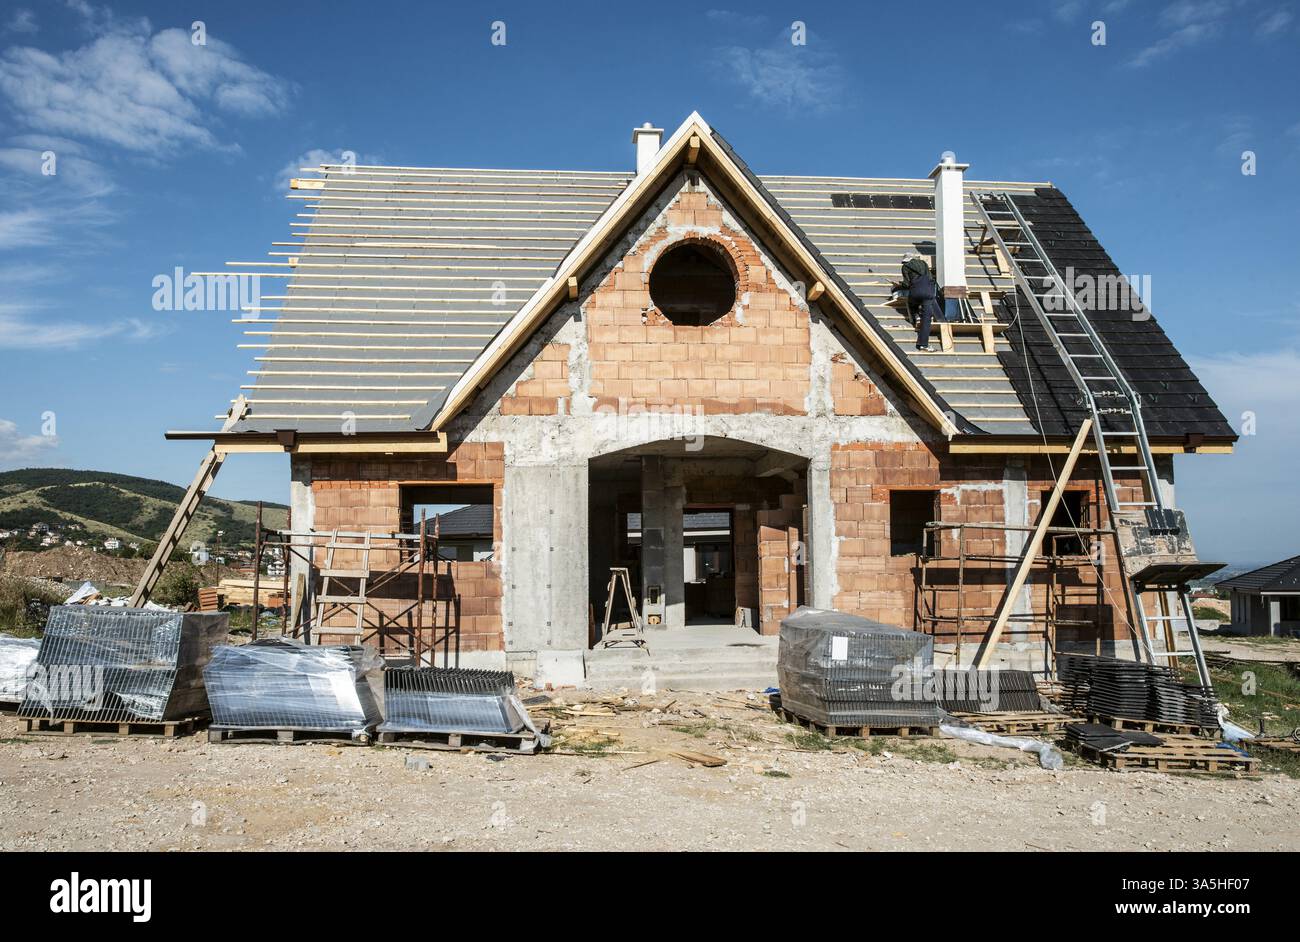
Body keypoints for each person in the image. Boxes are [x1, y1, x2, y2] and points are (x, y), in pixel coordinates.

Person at [899, 253, 942, 352]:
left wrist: (900, 285)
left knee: (912, 302)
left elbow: (906, 283)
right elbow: (930, 278)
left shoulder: (905, 267)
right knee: (926, 320)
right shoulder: (923, 263)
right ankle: (923, 344)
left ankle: (915, 316)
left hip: (916, 293)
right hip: (928, 292)